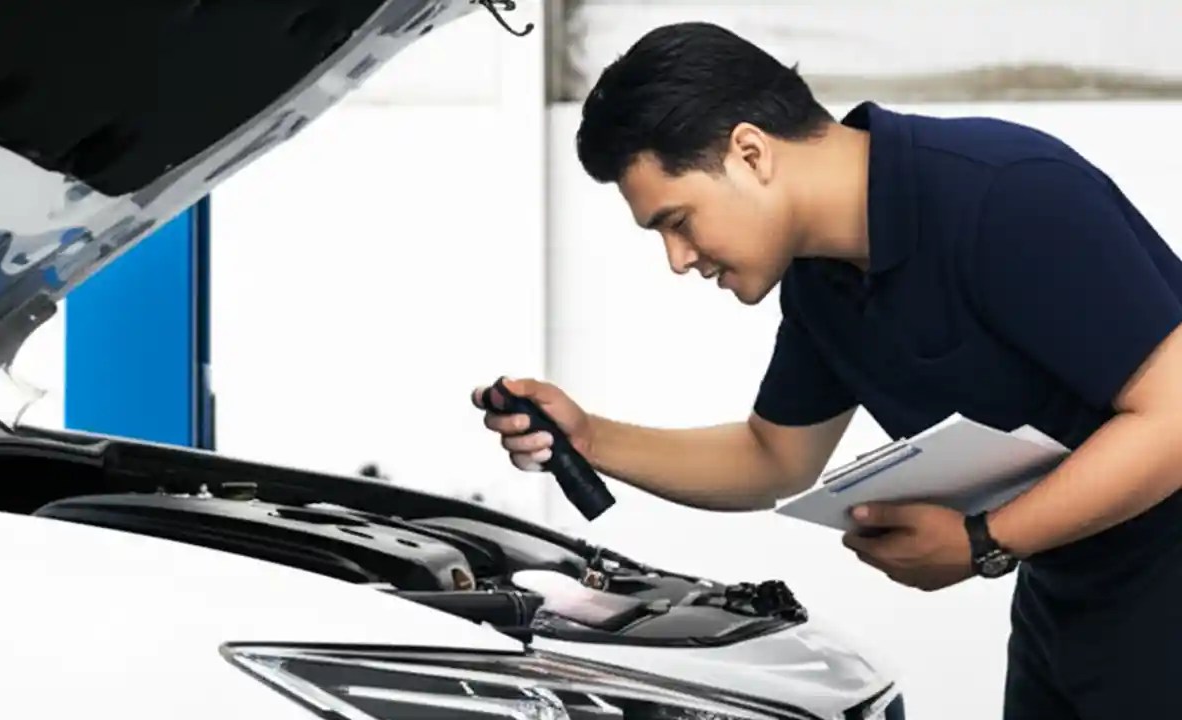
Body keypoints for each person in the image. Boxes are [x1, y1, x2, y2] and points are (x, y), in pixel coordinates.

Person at [470, 20, 1182, 720]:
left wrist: (984, 542)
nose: (678, 259)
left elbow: (1175, 414)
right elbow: (772, 457)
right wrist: (592, 438)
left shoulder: (1006, 193)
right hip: (1067, 602)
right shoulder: (821, 282)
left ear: (750, 152)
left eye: (677, 221)